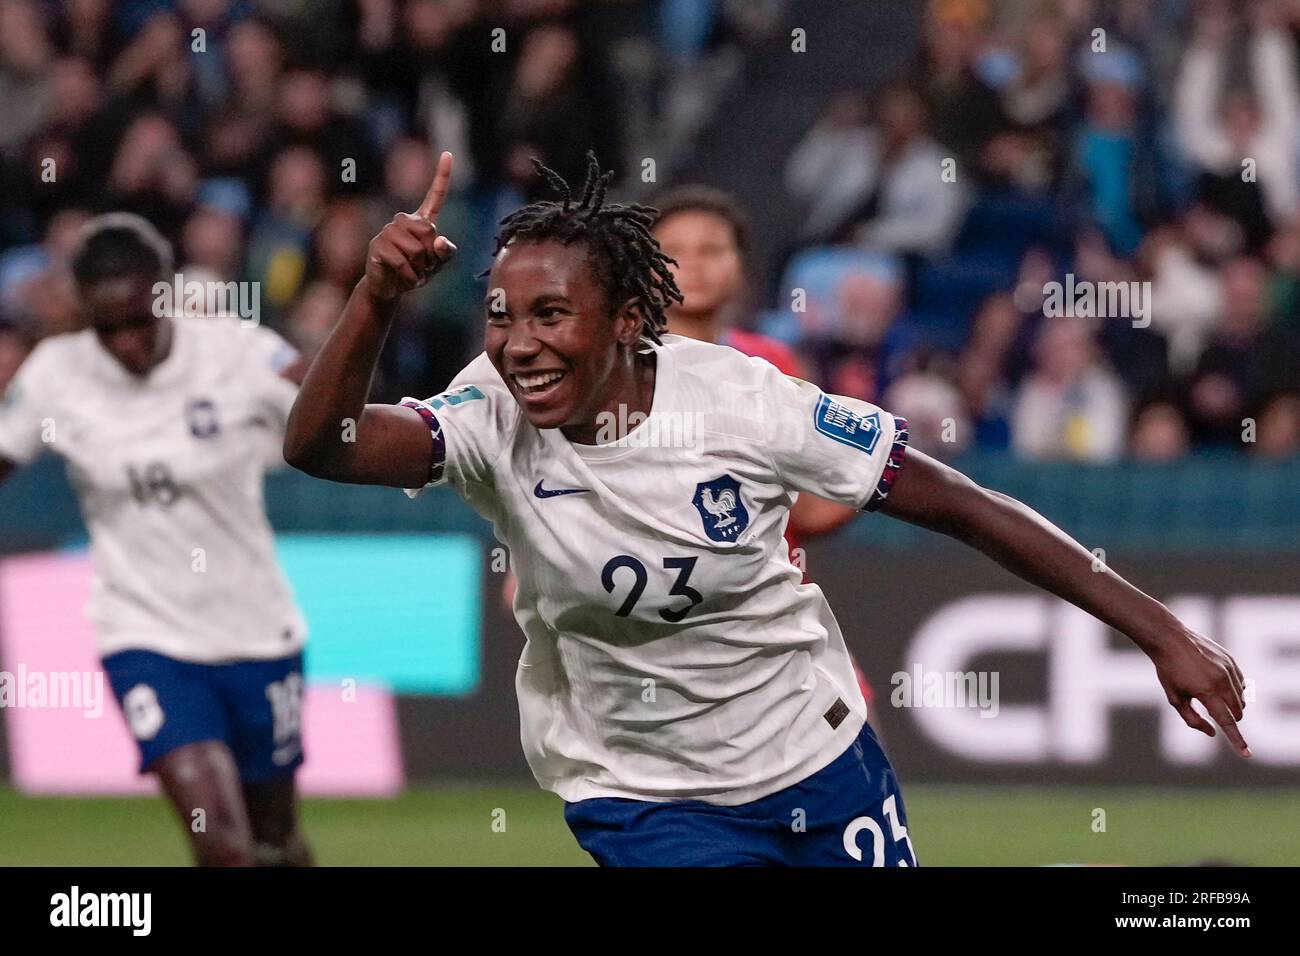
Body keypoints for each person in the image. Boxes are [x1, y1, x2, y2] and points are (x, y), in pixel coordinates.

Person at [285, 152, 1250, 867]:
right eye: (501, 314)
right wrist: (374, 297)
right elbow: (320, 448)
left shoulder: (748, 402)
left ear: (627, 321)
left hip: (815, 754)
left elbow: (961, 504)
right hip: (642, 789)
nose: (519, 344)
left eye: (550, 316)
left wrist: (1160, 629)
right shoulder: (487, 415)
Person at [0, 214, 313, 867]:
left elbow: (334, 414)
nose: (126, 343)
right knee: (221, 844)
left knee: (275, 840)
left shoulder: (237, 351)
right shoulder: (57, 374)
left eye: (140, 320)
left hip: (257, 632)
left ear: (166, 292)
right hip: (145, 639)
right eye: (106, 327)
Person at [649, 184, 877, 712]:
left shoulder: (773, 362)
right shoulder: (616, 373)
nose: (695, 265)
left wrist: (867, 466)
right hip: (666, 638)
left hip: (782, 623)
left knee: (865, 756)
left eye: (713, 250)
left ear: (740, 266)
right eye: (675, 252)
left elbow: (809, 513)